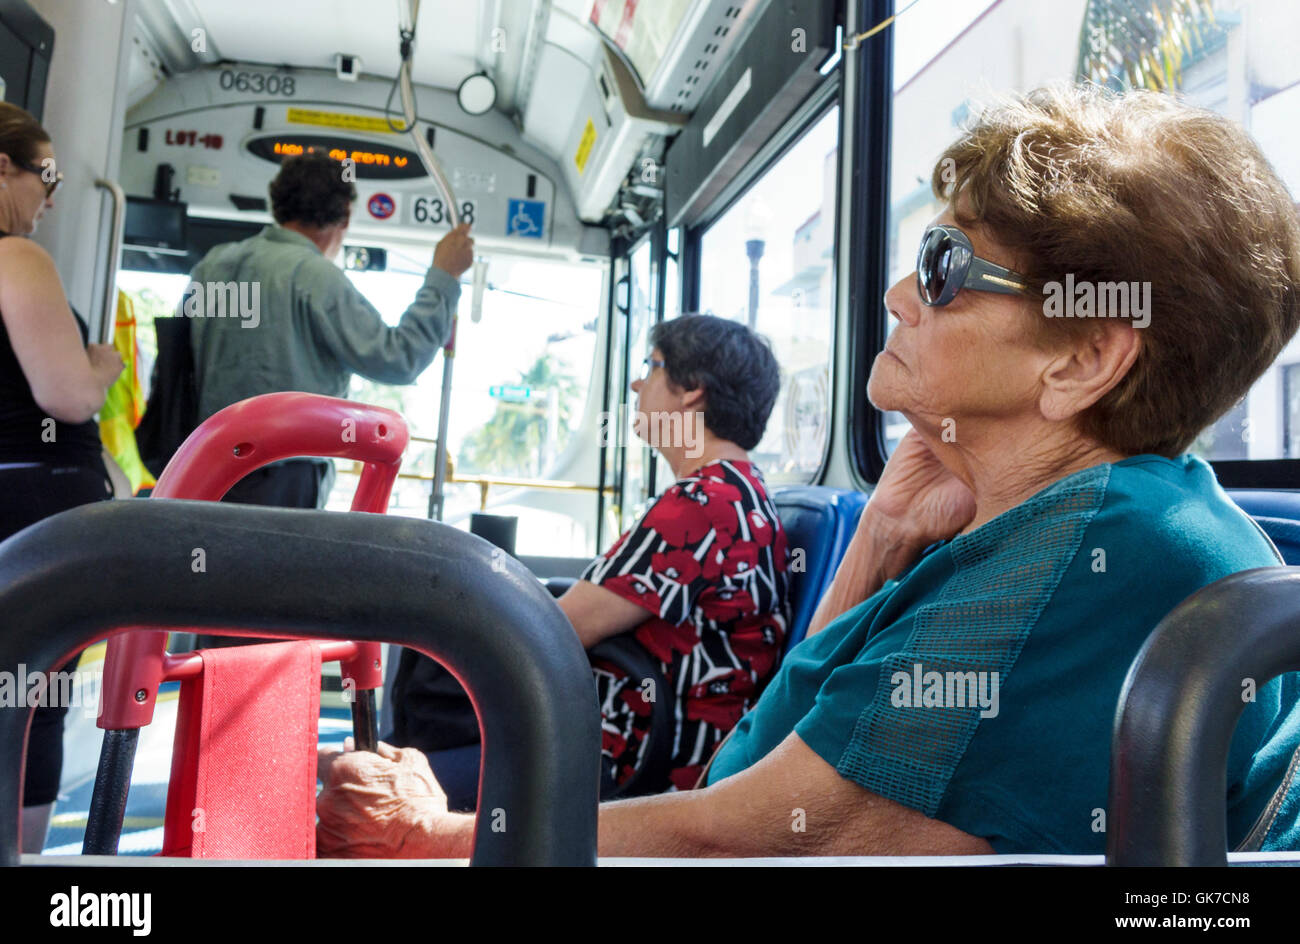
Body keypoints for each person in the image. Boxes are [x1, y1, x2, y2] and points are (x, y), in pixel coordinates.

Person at [317, 84, 1300, 858]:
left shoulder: (1099, 546)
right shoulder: (995, 520)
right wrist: (874, 541)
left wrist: (430, 839)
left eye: (946, 265)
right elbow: (757, 783)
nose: (898, 291)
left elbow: (760, 838)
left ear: (1081, 359)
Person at [388, 314, 791, 804]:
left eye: (653, 365)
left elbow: (546, 636)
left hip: (635, 760)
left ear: (693, 391)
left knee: (384, 784)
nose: (638, 382)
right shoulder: (738, 492)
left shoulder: (702, 506)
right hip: (647, 738)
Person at [187, 151, 474, 509]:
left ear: (277, 204)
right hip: (280, 475)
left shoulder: (213, 264)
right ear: (346, 214)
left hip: (202, 465)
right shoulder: (313, 276)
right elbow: (399, 358)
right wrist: (443, 277)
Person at [0, 102, 126, 853]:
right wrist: (102, 364)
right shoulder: (16, 258)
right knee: (34, 694)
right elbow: (66, 395)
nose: (52, 197)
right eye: (44, 175)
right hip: (34, 501)